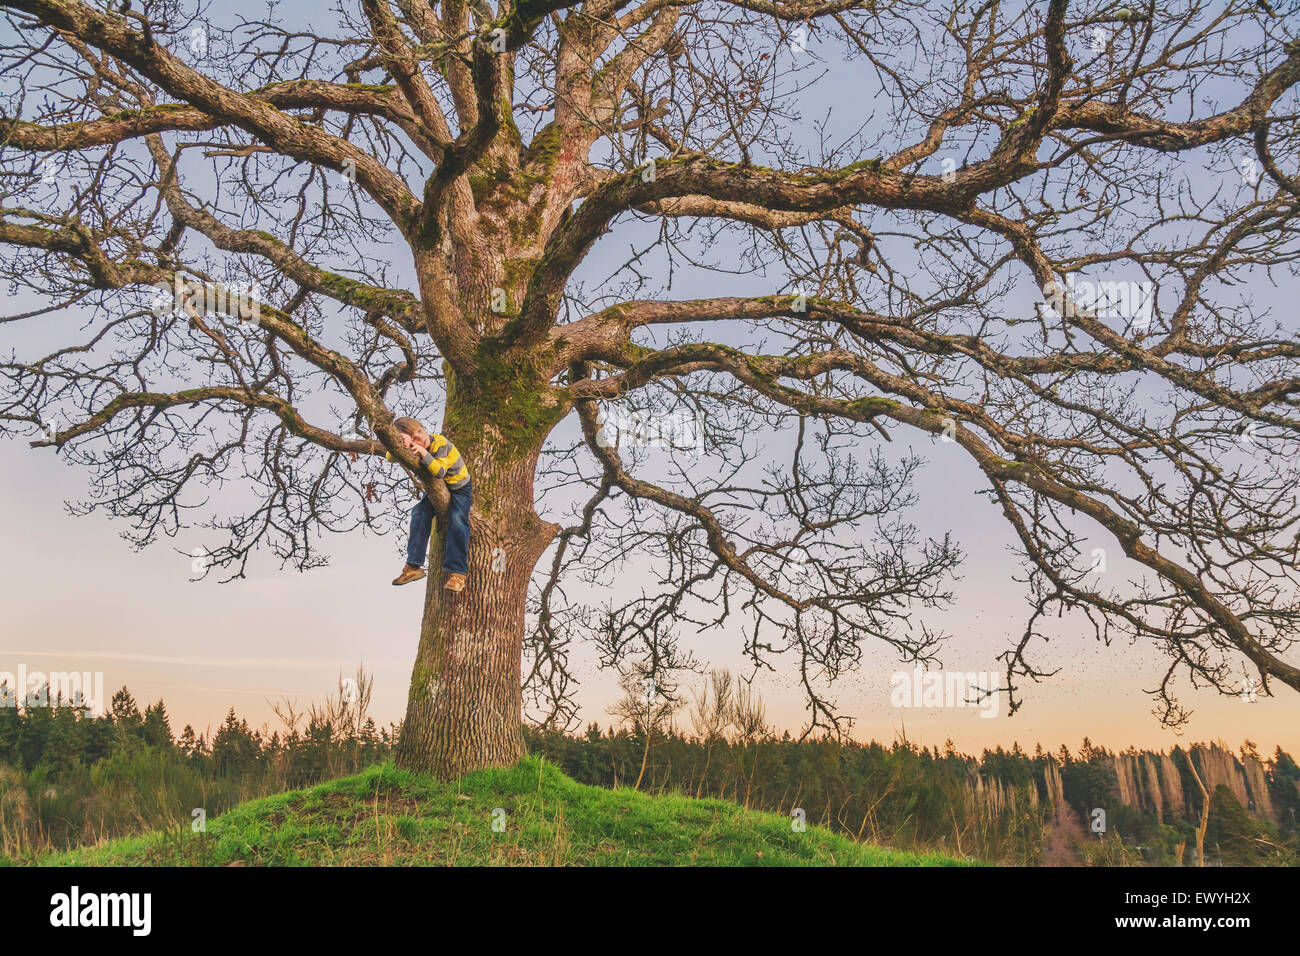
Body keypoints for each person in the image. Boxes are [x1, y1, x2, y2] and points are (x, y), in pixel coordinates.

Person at [386, 417, 472, 592]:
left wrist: (423, 453)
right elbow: (390, 457)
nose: (420, 437)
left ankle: (458, 574)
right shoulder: (411, 446)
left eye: (420, 430)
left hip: (459, 488)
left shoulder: (440, 444)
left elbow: (439, 471)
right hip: (437, 488)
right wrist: (400, 442)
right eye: (413, 437)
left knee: (457, 521)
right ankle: (413, 566)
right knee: (419, 513)